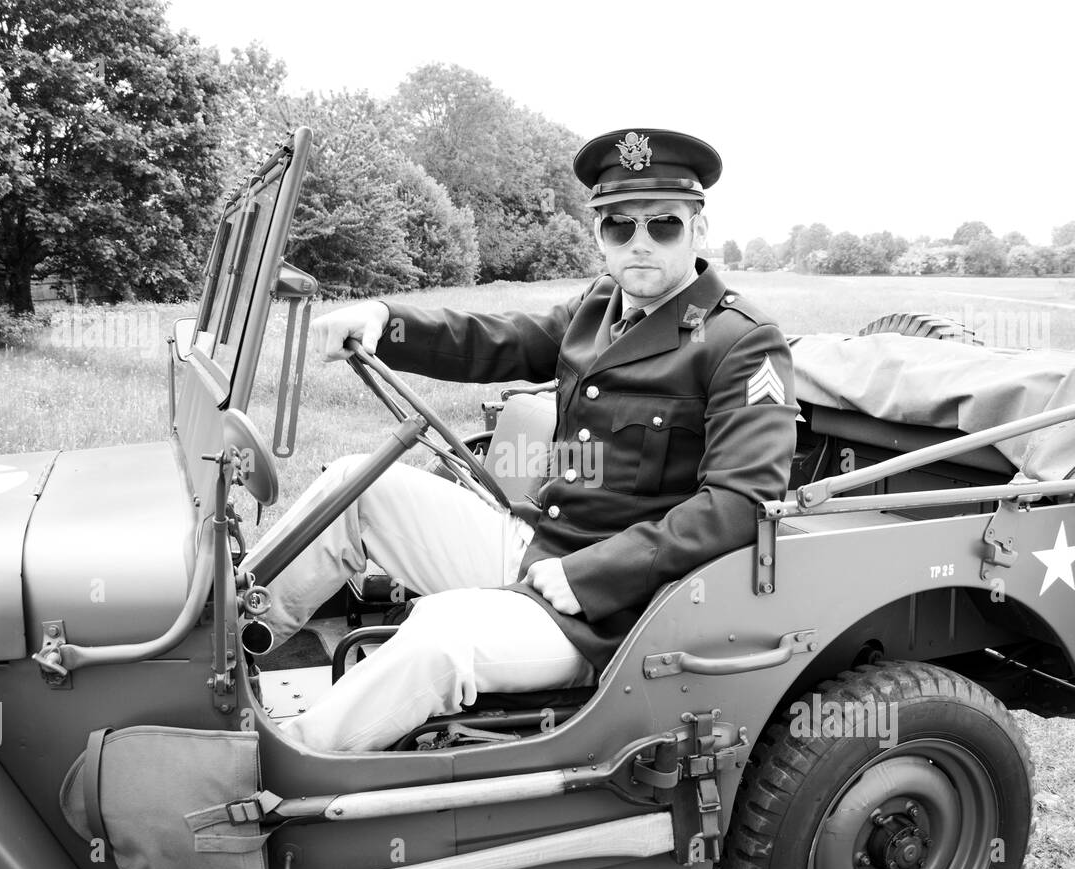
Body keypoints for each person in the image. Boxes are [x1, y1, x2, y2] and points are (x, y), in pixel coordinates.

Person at [247, 128, 798, 753]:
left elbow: (739, 504)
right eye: (619, 226)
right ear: (599, 235)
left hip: (615, 610)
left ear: (699, 230)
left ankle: (277, 762)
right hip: (536, 546)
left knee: (439, 637)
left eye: (663, 225)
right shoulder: (600, 306)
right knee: (357, 485)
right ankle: (226, 644)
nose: (639, 244)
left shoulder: (742, 341)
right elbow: (499, 338)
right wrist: (385, 319)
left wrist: (591, 575)